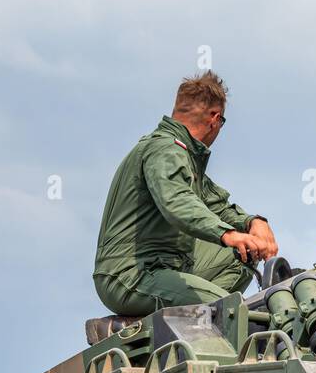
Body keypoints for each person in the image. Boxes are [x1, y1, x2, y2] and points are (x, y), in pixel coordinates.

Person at [93, 71, 277, 316]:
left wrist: (254, 223)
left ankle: (197, 320)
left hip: (169, 267)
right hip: (131, 275)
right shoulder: (165, 150)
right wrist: (227, 234)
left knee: (245, 252)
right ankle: (213, 319)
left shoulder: (183, 157)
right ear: (215, 118)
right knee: (233, 311)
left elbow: (217, 205)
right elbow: (178, 203)